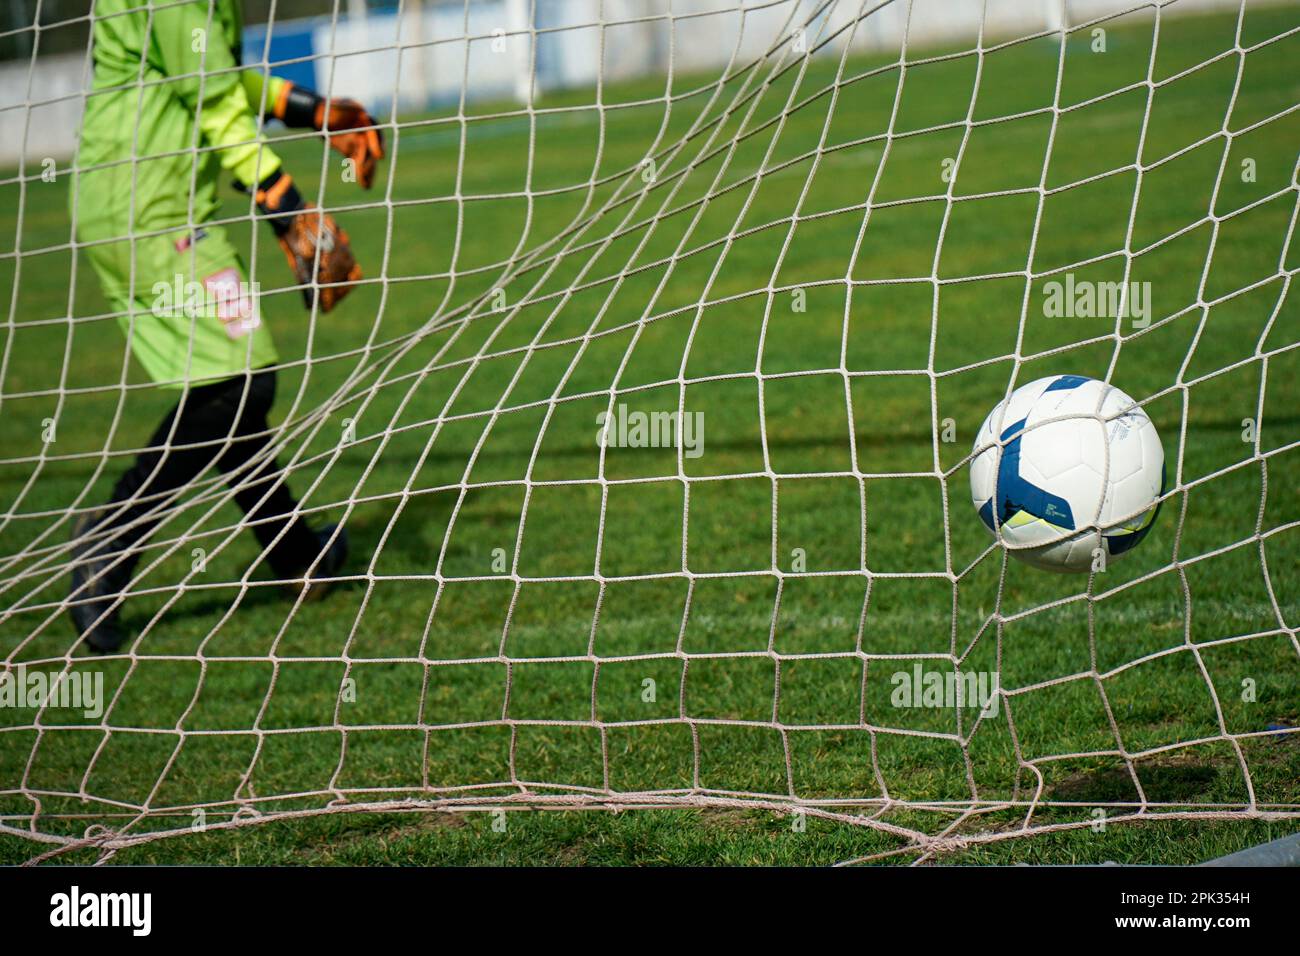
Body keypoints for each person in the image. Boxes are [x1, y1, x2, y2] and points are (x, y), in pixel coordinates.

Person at [67, 0, 384, 652]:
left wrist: (311, 109)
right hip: (153, 218)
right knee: (242, 384)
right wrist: (287, 206)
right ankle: (111, 538)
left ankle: (297, 557)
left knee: (235, 384)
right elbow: (216, 108)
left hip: (149, 209)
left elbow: (209, 77)